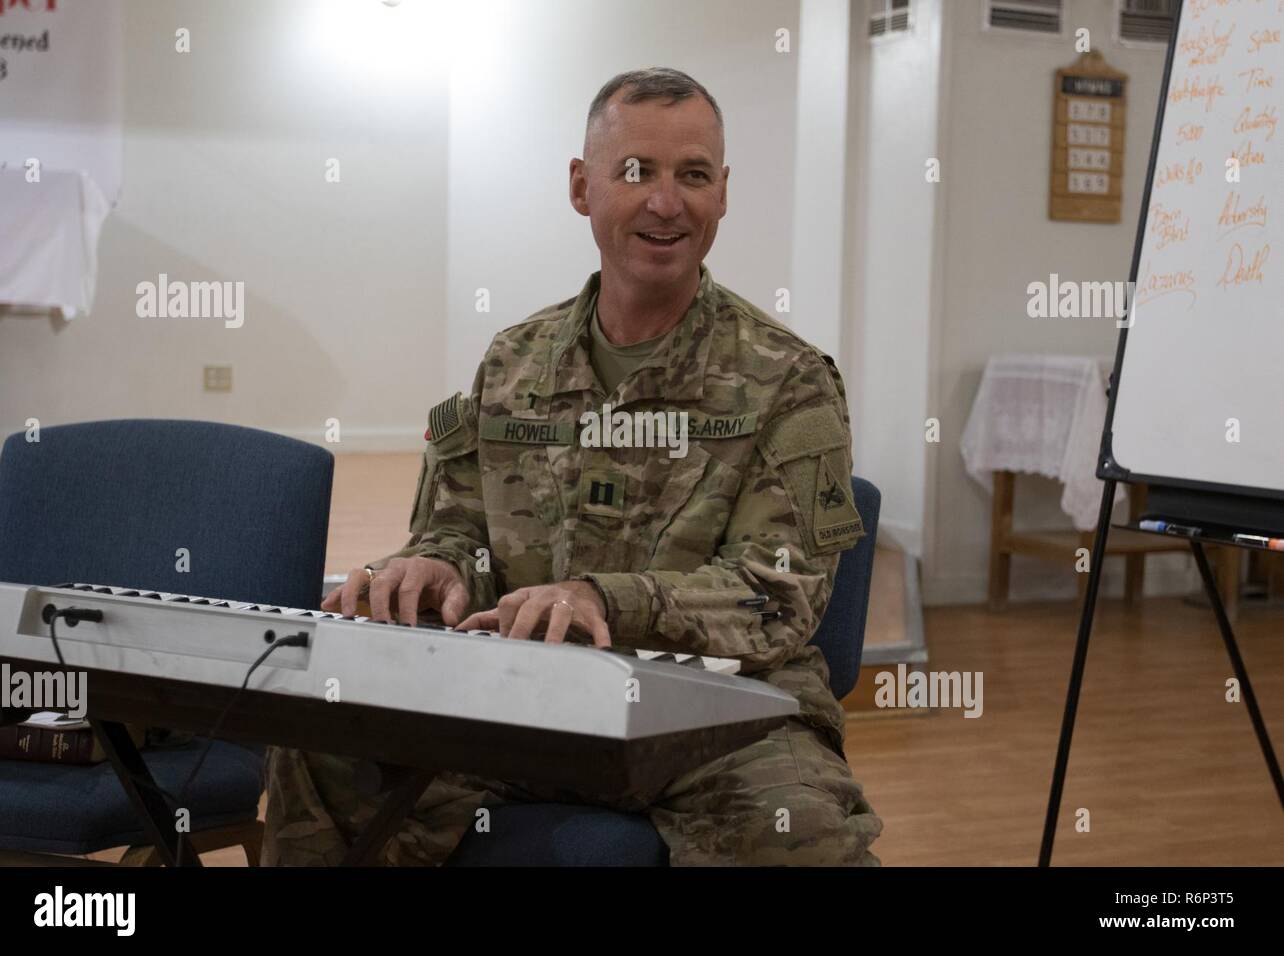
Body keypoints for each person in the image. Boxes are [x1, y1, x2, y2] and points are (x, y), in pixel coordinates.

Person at [263, 67, 882, 866]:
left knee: (805, 834)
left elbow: (778, 596)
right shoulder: (513, 364)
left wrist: (602, 600)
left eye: (693, 175)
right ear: (581, 187)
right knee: (319, 748)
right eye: (636, 172)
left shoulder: (788, 380)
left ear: (722, 193)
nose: (666, 202)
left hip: (722, 721)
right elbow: (457, 528)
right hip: (526, 705)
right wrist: (431, 569)